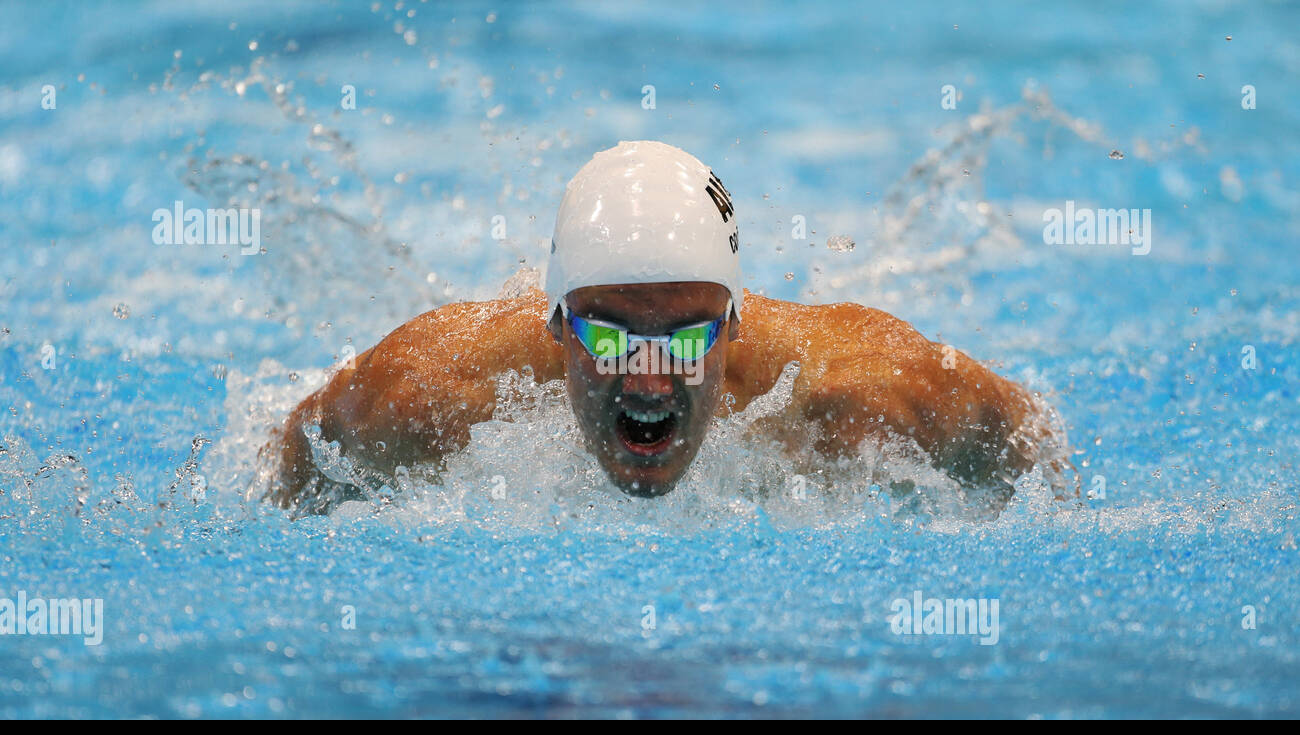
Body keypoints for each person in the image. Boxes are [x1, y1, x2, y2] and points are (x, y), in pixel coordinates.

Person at [263, 141, 1060, 514]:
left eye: (686, 339)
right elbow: (294, 459)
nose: (648, 382)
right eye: (609, 338)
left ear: (737, 325)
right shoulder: (425, 391)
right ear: (554, 327)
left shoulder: (865, 390)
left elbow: (1034, 446)